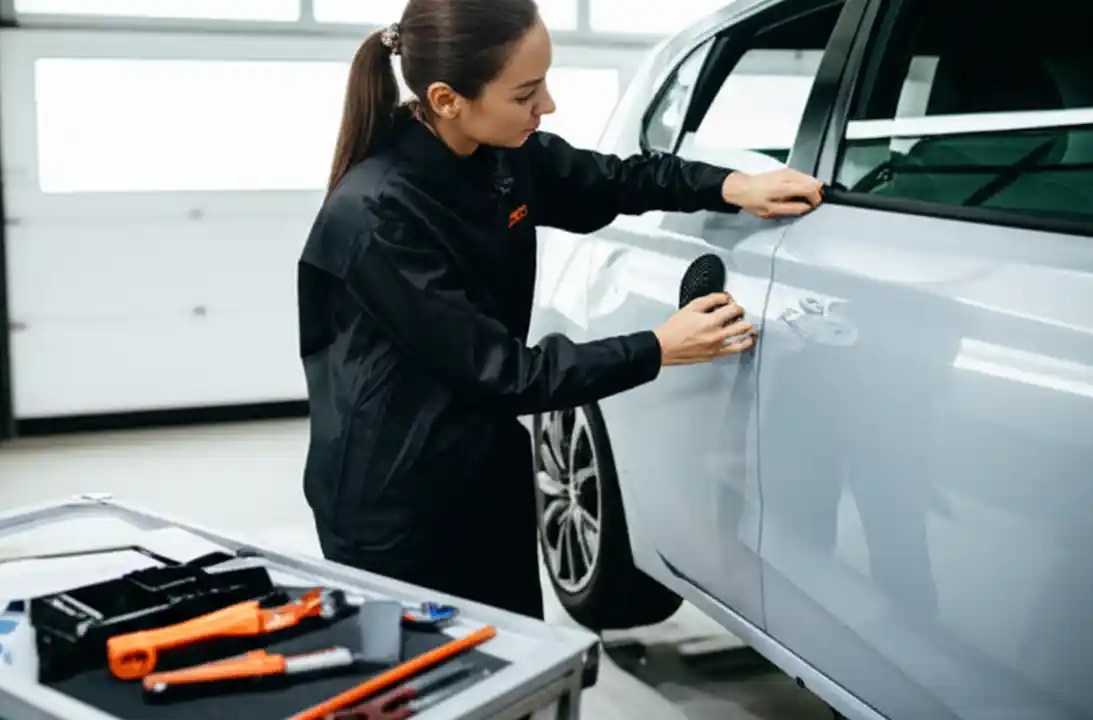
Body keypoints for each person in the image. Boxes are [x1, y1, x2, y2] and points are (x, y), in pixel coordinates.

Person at [297, 0, 823, 619]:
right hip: (399, 505)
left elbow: (616, 179)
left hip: (482, 468)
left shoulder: (500, 155)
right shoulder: (378, 215)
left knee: (514, 665)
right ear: (446, 99)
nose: (547, 106)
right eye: (525, 93)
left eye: (545, 83)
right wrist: (659, 346)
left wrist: (731, 185)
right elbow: (504, 372)